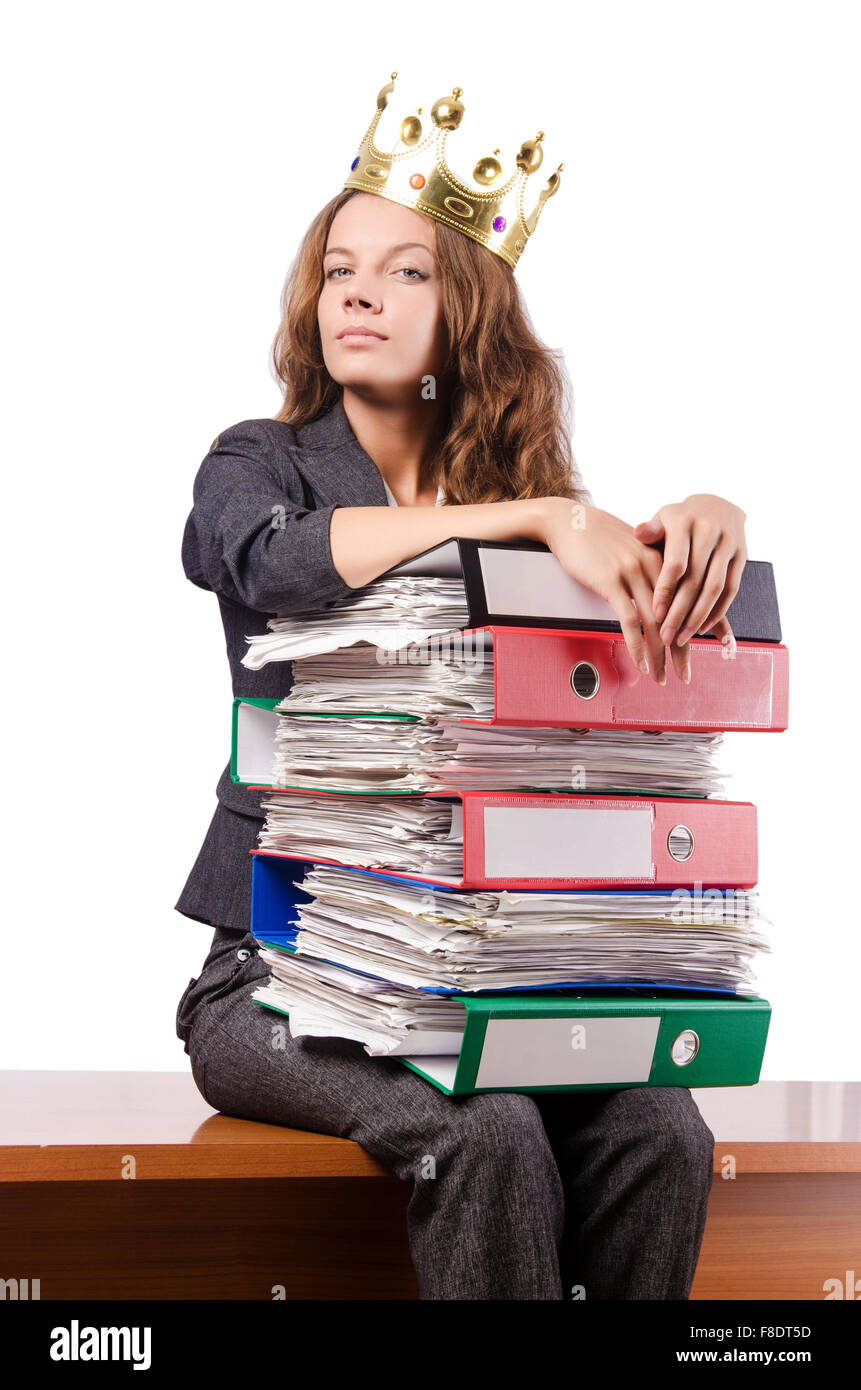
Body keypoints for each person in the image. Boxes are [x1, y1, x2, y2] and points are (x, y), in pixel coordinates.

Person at [175, 80, 748, 1300]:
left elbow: (623, 650)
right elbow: (269, 559)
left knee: (664, 1130)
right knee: (480, 1132)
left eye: (406, 273)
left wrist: (704, 524)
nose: (360, 295)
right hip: (278, 981)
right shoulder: (257, 460)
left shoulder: (542, 508)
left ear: (470, 313)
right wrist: (542, 513)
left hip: (485, 976)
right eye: (339, 270)